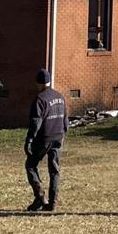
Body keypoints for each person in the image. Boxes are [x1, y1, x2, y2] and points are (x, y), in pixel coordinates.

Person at [24, 69, 67, 212]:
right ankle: (53, 202)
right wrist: (63, 132)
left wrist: (30, 139)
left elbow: (36, 121)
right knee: (54, 170)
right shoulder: (60, 96)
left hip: (44, 138)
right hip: (58, 136)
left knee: (30, 165)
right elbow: (65, 118)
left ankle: (40, 197)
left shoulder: (40, 99)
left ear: (38, 83)